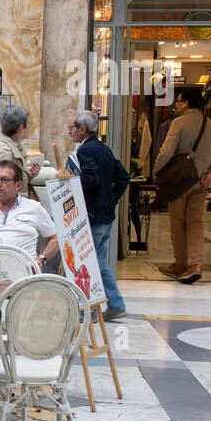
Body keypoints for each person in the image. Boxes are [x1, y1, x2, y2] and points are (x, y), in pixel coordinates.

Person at [153, 86, 211, 284]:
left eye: (178, 101)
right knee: (196, 223)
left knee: (178, 223)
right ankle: (195, 264)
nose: (176, 105)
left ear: (186, 103)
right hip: (202, 183)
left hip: (180, 181)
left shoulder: (178, 123)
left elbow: (166, 151)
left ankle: (181, 264)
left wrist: (156, 172)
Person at [67, 110, 131, 320]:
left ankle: (95, 307)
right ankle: (111, 303)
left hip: (93, 215)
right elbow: (123, 176)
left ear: (82, 129)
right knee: (98, 260)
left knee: (91, 262)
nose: (70, 132)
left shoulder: (86, 151)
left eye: (72, 128)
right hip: (105, 215)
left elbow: (91, 179)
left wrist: (72, 181)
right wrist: (112, 199)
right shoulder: (103, 148)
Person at [0, 159, 58, 266]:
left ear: (18, 185)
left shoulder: (33, 207)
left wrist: (41, 259)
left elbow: (56, 239)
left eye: (5, 180)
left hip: (24, 270)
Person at [0, 105, 42, 196]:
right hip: (8, 208)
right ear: (21, 127)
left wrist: (28, 175)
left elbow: (10, 181)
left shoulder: (14, 147)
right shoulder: (4, 151)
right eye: (29, 123)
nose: (30, 127)